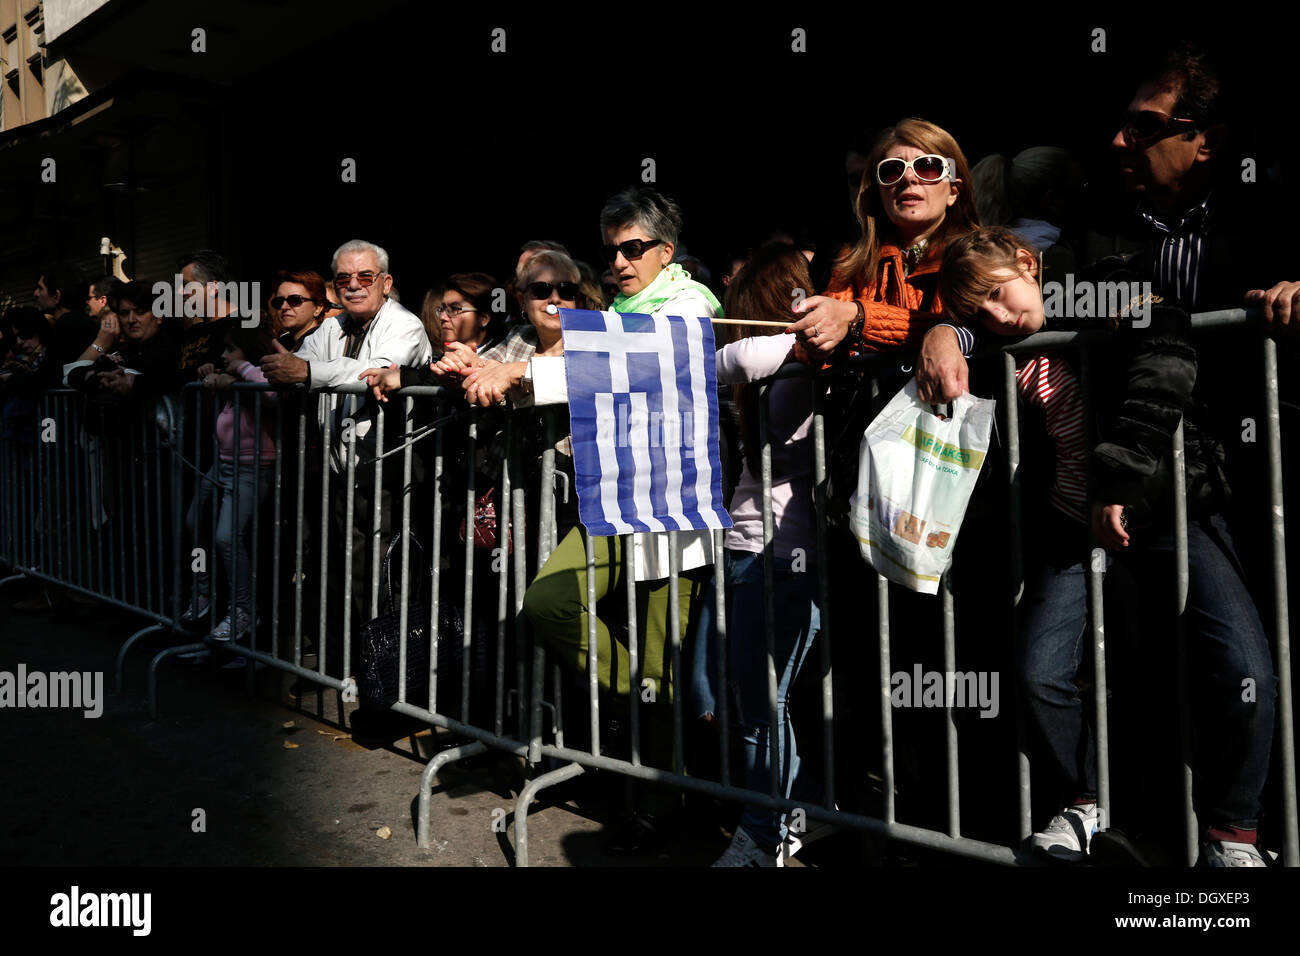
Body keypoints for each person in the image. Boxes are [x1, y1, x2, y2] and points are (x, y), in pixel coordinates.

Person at [519, 187, 722, 854]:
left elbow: (634, 366)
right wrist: (506, 371)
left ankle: (672, 809)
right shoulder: (619, 306)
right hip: (614, 498)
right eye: (611, 251)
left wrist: (522, 376)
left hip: (674, 506)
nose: (620, 261)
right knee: (549, 601)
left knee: (667, 660)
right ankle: (639, 699)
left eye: (633, 248)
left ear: (666, 251)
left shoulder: (691, 302)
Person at [260, 239, 433, 680]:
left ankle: (391, 686)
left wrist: (311, 374)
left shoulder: (405, 325)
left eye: (365, 277)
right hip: (344, 478)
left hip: (390, 478)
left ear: (386, 282)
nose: (354, 285)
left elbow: (374, 373)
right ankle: (355, 676)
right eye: (344, 279)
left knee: (382, 584)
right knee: (342, 579)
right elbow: (297, 362)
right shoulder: (332, 329)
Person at [707, 243, 824, 867]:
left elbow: (737, 355)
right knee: (758, 699)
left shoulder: (791, 355)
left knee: (763, 703)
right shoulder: (774, 356)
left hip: (789, 548)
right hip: (751, 541)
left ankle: (764, 833)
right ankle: (785, 820)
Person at [183, 321, 280, 657]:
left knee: (227, 537)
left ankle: (243, 610)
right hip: (220, 464)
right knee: (195, 522)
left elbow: (271, 393)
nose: (223, 356)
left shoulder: (258, 372)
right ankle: (203, 592)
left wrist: (241, 368)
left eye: (229, 349)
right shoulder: (236, 379)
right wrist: (217, 385)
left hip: (251, 469)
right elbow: (221, 418)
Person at [36, 262, 96, 368]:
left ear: (56, 296)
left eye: (40, 288)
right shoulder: (83, 322)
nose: (35, 293)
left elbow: (50, 375)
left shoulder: (67, 326)